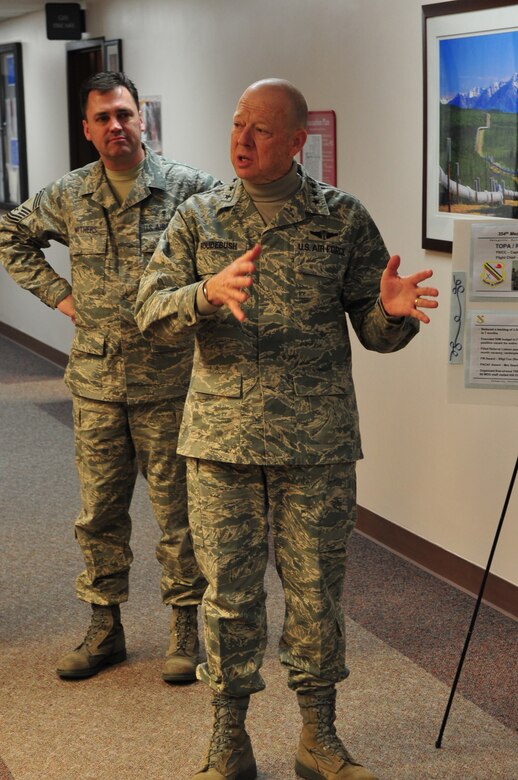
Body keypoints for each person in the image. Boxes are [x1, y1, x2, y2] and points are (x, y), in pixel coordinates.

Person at [135, 78, 438, 780]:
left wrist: (390, 312)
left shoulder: (342, 220)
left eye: (261, 130)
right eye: (237, 125)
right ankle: (228, 740)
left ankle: (318, 739)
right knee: (230, 595)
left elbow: (377, 331)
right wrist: (204, 294)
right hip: (222, 442)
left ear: (299, 142)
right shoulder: (198, 217)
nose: (242, 140)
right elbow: (149, 313)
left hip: (316, 443)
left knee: (316, 591)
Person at [0, 71, 219, 683]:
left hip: (171, 383)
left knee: (178, 515)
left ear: (140, 118)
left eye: (124, 114)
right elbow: (9, 235)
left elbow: (237, 240)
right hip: (96, 384)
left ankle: (184, 629)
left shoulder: (188, 189)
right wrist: (62, 297)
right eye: (103, 118)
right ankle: (105, 628)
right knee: (98, 513)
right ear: (87, 130)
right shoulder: (69, 195)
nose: (115, 126)